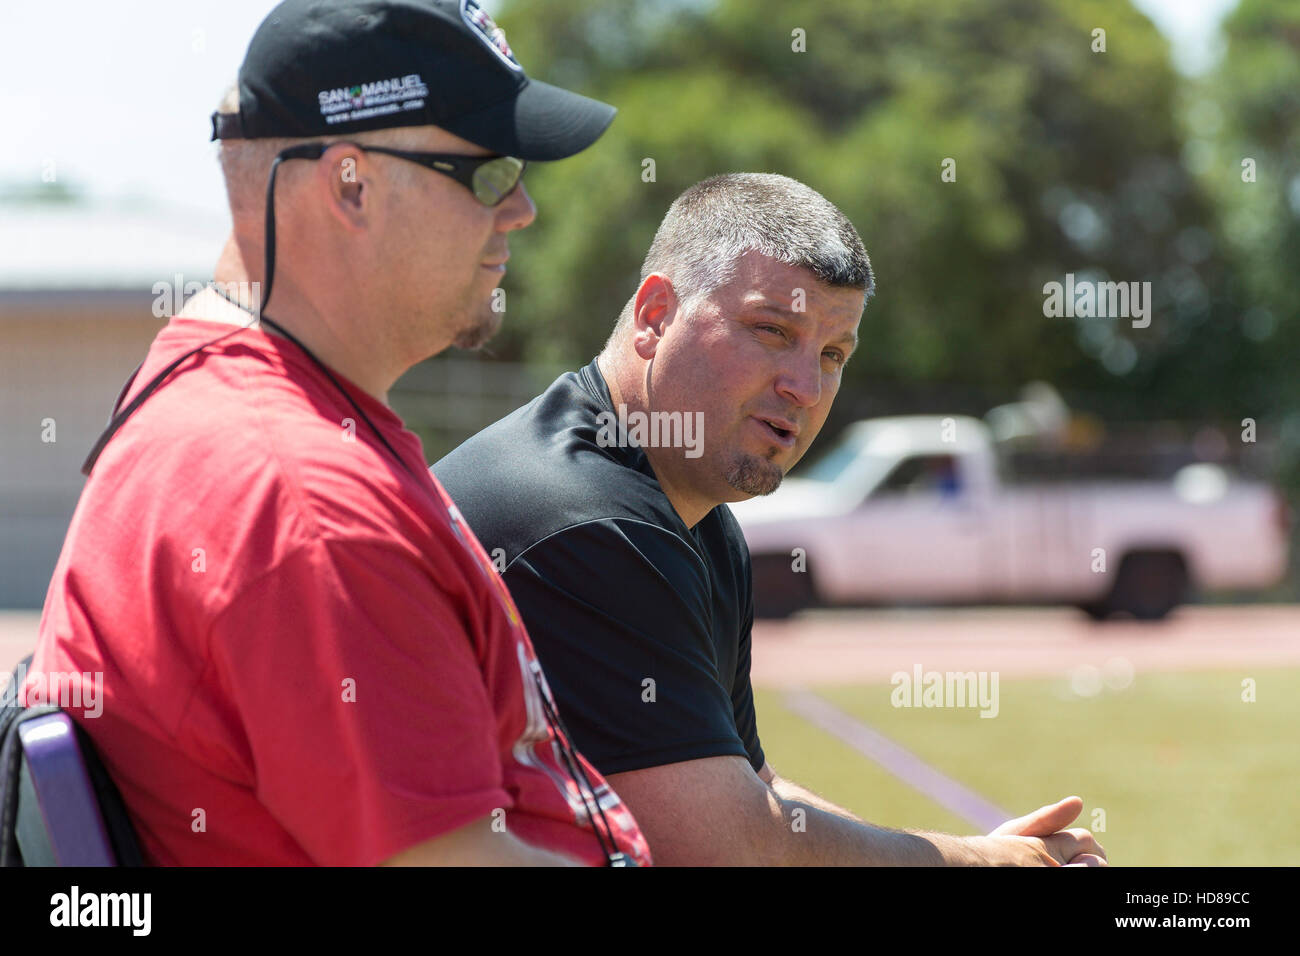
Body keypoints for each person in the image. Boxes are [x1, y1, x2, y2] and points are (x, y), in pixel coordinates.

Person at [24, 0, 650, 867]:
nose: (522, 210)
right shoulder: (304, 498)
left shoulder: (212, 393)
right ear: (350, 183)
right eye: (488, 172)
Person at [434, 173, 1108, 866]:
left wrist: (973, 856)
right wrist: (980, 863)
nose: (806, 388)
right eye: (770, 330)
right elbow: (722, 847)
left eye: (831, 354)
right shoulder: (587, 517)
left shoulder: (697, 514)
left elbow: (753, 791)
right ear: (654, 315)